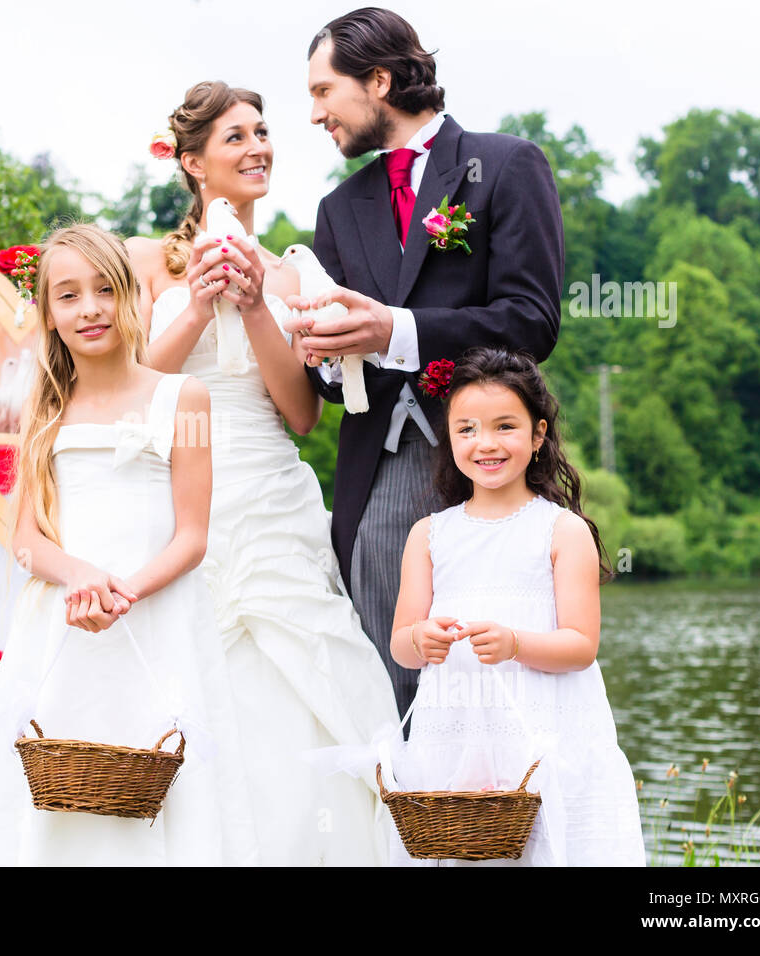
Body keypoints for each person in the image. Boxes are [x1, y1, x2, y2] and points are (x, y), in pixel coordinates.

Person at [127, 81, 400, 865]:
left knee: (307, 674)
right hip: (180, 490)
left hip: (274, 493)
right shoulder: (149, 263)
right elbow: (136, 391)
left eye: (263, 132)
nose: (258, 148)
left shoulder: (293, 275)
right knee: (194, 674)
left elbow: (305, 414)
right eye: (236, 138)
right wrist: (196, 303)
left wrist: (251, 306)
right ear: (192, 163)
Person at [285, 8, 564, 729]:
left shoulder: (506, 165)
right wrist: (317, 350)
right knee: (391, 692)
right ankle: (407, 831)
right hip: (376, 476)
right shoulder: (338, 209)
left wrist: (397, 328)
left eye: (323, 91)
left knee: (505, 692)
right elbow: (326, 382)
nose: (314, 114)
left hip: (491, 466)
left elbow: (532, 321)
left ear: (379, 81)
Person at [0, 223, 258, 865]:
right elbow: (26, 539)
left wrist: (124, 591)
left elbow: (193, 535)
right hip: (64, 620)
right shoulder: (44, 405)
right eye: (67, 296)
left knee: (161, 773)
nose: (88, 308)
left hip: (155, 616)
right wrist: (80, 576)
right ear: (48, 313)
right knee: (55, 778)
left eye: (103, 290)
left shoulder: (185, 398)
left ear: (130, 296)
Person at [388, 347, 645, 865]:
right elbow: (401, 645)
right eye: (467, 429)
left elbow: (580, 645)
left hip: (545, 724)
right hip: (456, 726)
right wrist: (422, 639)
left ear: (538, 433)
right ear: (450, 437)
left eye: (505, 426)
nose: (485, 443)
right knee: (465, 847)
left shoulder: (561, 530)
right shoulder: (430, 535)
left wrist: (514, 643)